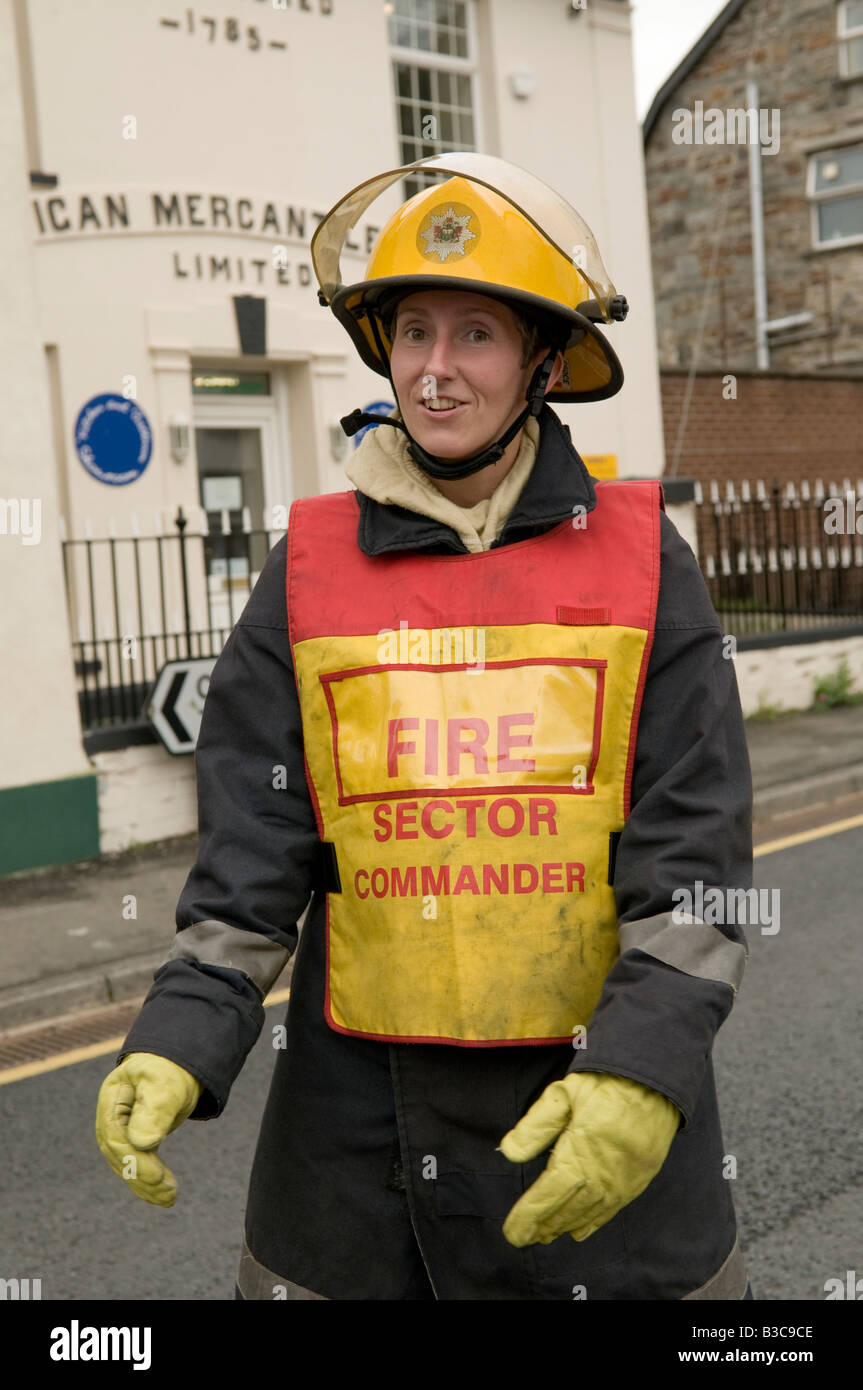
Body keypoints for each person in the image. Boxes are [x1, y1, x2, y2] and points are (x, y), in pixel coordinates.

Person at [95, 154, 754, 1300]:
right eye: (410, 332)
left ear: (543, 359)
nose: (435, 372)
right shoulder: (303, 569)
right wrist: (178, 1031)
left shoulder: (645, 562)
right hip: (354, 1142)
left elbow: (691, 860)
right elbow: (254, 853)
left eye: (476, 336)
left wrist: (643, 1072)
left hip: (583, 1100)